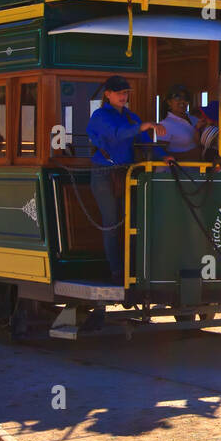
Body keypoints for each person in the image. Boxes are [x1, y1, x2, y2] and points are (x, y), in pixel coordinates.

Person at [86, 76, 167, 291]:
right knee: (112, 223)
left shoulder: (131, 117)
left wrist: (163, 156)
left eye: (125, 93)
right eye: (119, 92)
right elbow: (115, 135)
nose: (123, 96)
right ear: (108, 94)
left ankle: (133, 270)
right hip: (104, 174)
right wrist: (144, 126)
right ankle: (116, 271)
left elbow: (145, 142)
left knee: (132, 222)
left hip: (127, 173)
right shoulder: (100, 116)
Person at [158, 85, 203, 160]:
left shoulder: (195, 119)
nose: (182, 101)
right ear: (169, 102)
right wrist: (190, 155)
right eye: (177, 97)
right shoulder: (164, 125)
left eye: (186, 98)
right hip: (174, 170)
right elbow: (160, 153)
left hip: (197, 170)